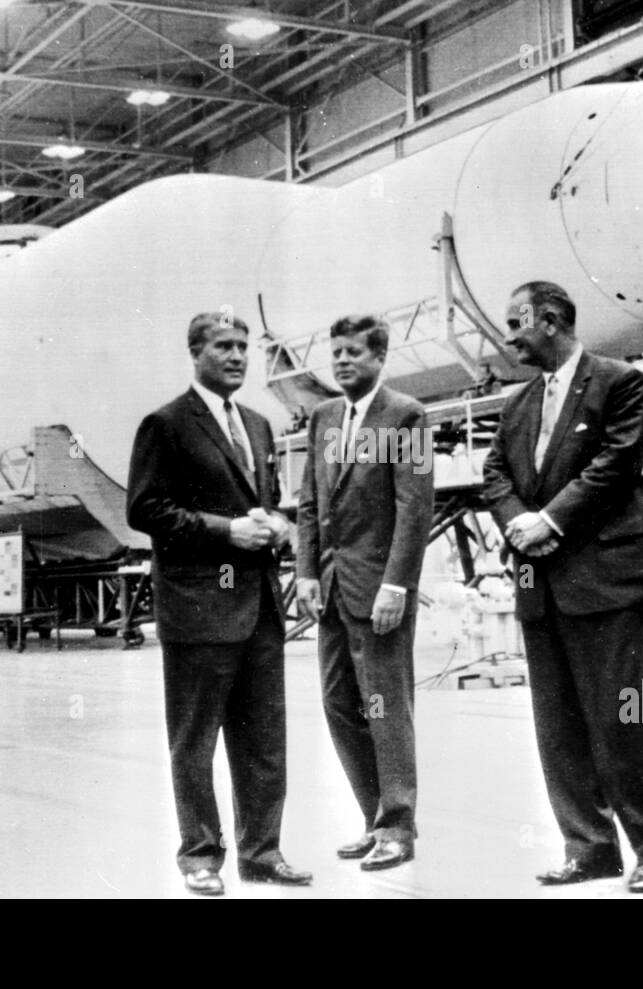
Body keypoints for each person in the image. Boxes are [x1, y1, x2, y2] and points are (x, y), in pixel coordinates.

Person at [481, 281, 643, 893]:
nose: (509, 335)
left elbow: (616, 464)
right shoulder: (517, 404)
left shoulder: (618, 382)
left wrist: (550, 520)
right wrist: (518, 522)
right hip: (541, 587)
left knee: (624, 720)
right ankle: (588, 848)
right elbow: (494, 472)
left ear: (552, 320)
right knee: (557, 727)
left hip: (611, 584)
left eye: (517, 321)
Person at [126, 311, 311, 897]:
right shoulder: (167, 424)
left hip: (257, 606)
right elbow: (146, 509)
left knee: (263, 740)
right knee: (196, 740)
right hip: (200, 609)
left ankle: (263, 852)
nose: (236, 356)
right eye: (223, 347)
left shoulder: (257, 424)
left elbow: (268, 500)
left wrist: (276, 523)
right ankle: (201, 856)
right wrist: (226, 531)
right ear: (196, 352)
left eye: (242, 347)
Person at [296, 315, 435, 871]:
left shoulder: (406, 415)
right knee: (338, 704)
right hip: (330, 590)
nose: (343, 362)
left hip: (380, 591)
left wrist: (397, 583)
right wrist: (306, 572)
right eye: (337, 354)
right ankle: (374, 816)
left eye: (354, 353)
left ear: (380, 358)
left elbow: (415, 507)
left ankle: (398, 826)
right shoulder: (326, 418)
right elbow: (310, 502)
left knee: (384, 707)